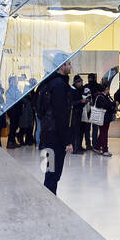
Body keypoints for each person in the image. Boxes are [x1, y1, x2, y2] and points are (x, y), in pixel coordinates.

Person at [36, 62, 74, 194]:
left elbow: (40, 111)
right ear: (61, 66)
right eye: (68, 64)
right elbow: (61, 115)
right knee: (54, 172)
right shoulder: (59, 85)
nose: (70, 66)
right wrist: (67, 141)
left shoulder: (47, 83)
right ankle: (49, 201)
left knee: (49, 169)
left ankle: (48, 199)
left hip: (47, 134)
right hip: (56, 137)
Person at [93, 85, 115, 157]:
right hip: (103, 118)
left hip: (106, 118)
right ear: (106, 89)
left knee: (103, 133)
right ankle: (105, 150)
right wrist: (113, 104)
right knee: (104, 133)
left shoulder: (106, 96)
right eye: (108, 89)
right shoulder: (100, 97)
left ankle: (97, 146)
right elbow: (105, 105)